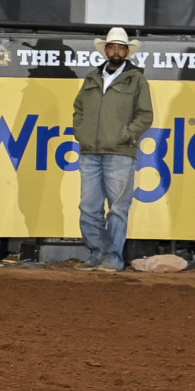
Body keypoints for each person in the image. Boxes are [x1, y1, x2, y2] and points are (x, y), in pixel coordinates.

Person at [73, 27, 154, 272]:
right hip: (91, 152)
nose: (116, 50)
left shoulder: (137, 79)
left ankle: (113, 258)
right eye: (112, 46)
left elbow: (145, 115)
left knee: (117, 209)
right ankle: (97, 255)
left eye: (120, 47)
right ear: (106, 50)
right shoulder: (91, 78)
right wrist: (82, 132)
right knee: (89, 208)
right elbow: (78, 109)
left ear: (127, 51)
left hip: (120, 153)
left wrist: (125, 135)